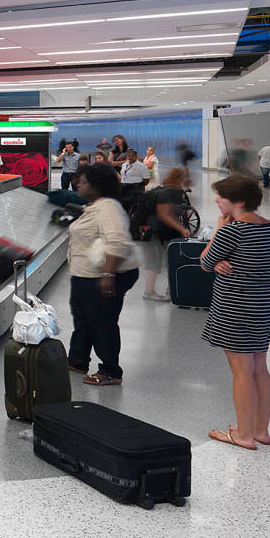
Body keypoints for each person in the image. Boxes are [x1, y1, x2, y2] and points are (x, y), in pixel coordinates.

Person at [200, 175, 270, 450]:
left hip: (234, 306)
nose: (216, 200)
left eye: (221, 196)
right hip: (262, 306)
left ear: (237, 201)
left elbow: (205, 261)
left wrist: (220, 229)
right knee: (259, 366)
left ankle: (244, 434)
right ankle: (260, 429)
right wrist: (220, 260)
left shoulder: (232, 231)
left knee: (241, 371)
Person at [66, 163, 140, 386]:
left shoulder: (107, 207)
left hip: (99, 276)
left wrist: (108, 273)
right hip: (83, 275)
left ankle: (110, 370)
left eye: (84, 181)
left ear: (97, 186)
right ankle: (77, 361)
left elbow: (118, 241)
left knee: (102, 322)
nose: (79, 184)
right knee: (84, 321)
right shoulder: (93, 206)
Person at [140, 166, 192, 301]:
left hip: (149, 230)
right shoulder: (171, 193)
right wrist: (182, 229)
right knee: (172, 260)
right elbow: (165, 215)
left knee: (152, 261)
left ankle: (149, 292)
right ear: (180, 179)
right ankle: (171, 292)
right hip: (162, 231)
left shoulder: (160, 189)